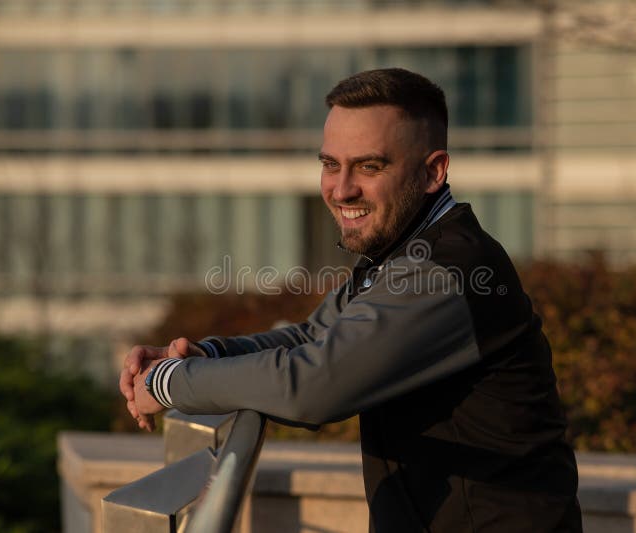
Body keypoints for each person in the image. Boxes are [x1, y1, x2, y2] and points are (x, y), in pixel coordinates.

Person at [120, 68, 582, 532]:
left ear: (433, 171)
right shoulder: (406, 250)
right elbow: (313, 337)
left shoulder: (445, 270)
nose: (341, 190)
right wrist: (207, 354)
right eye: (330, 164)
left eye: (369, 166)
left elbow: (314, 386)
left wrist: (170, 383)